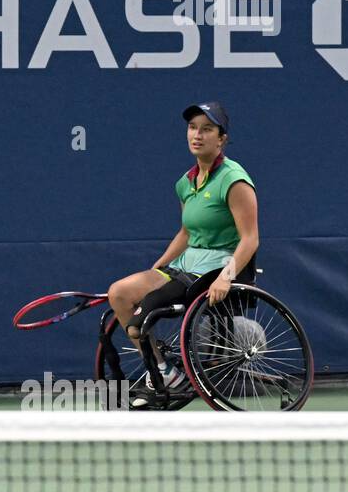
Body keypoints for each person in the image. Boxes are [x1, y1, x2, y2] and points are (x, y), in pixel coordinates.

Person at [106, 102, 259, 409]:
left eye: (206, 129)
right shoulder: (185, 182)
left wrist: (226, 277)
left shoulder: (234, 180)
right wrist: (159, 265)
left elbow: (251, 238)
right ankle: (164, 372)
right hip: (186, 265)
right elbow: (187, 233)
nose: (197, 135)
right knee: (120, 294)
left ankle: (158, 375)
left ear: (222, 139)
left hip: (219, 268)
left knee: (140, 320)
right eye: (192, 128)